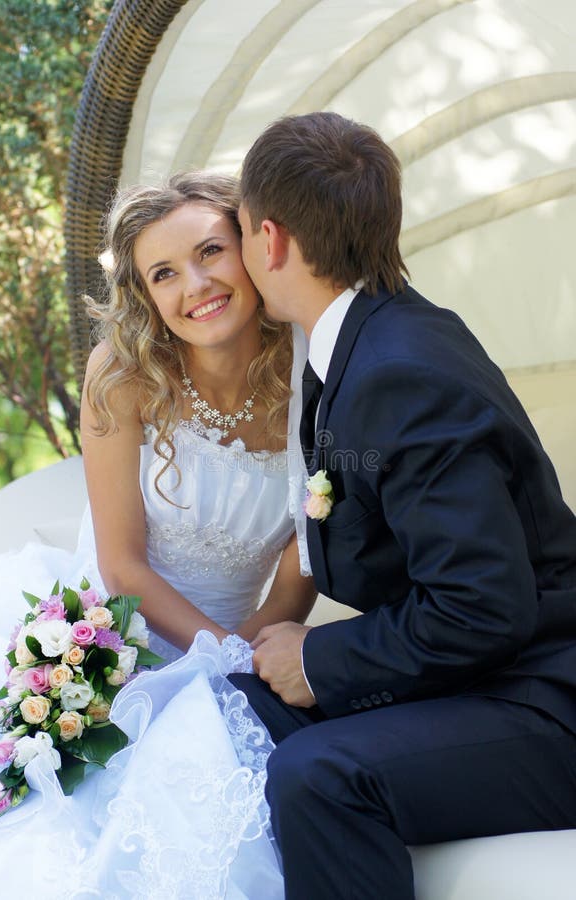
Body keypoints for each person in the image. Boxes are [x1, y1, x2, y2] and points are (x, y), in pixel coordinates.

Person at [231, 111, 576, 899]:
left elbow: (481, 609)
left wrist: (316, 659)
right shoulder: (367, 338)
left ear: (272, 240)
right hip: (481, 673)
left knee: (315, 775)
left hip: (542, 693)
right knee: (232, 707)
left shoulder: (398, 371)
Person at [0, 171, 316, 898]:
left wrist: (246, 662)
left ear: (253, 252)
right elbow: (123, 566)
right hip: (112, 641)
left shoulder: (312, 371)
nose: (195, 285)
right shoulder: (124, 376)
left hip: (239, 648)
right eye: (164, 273)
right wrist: (221, 658)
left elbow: (303, 566)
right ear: (147, 297)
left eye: (210, 253)